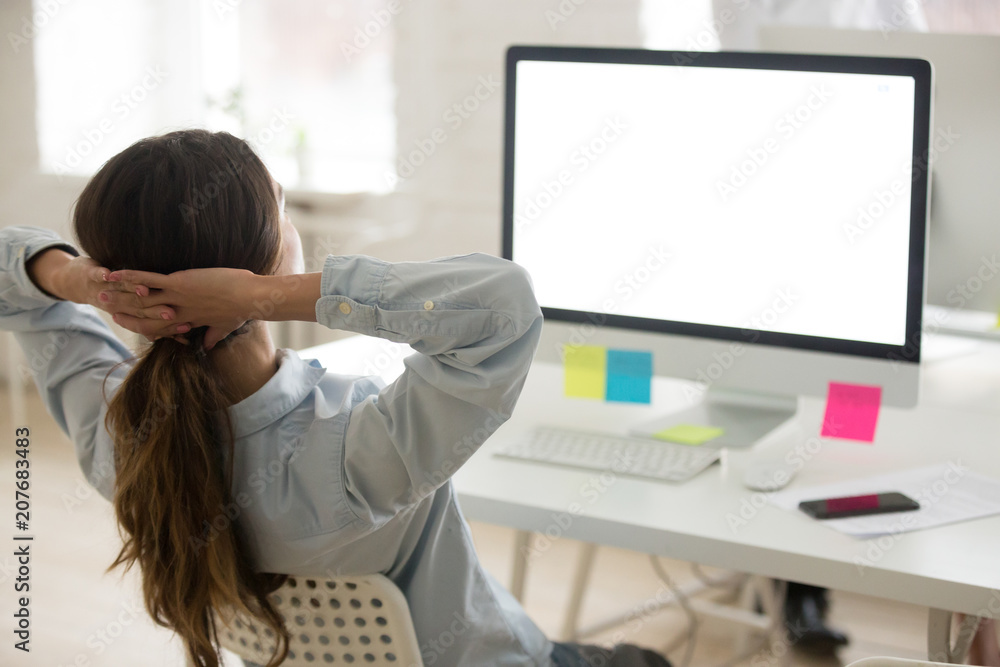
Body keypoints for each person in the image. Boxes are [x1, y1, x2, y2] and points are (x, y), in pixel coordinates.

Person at [0, 129, 670, 667]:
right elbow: (505, 306)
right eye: (282, 208)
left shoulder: (115, 441)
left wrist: (76, 278)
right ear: (249, 268)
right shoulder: (348, 451)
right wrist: (265, 294)